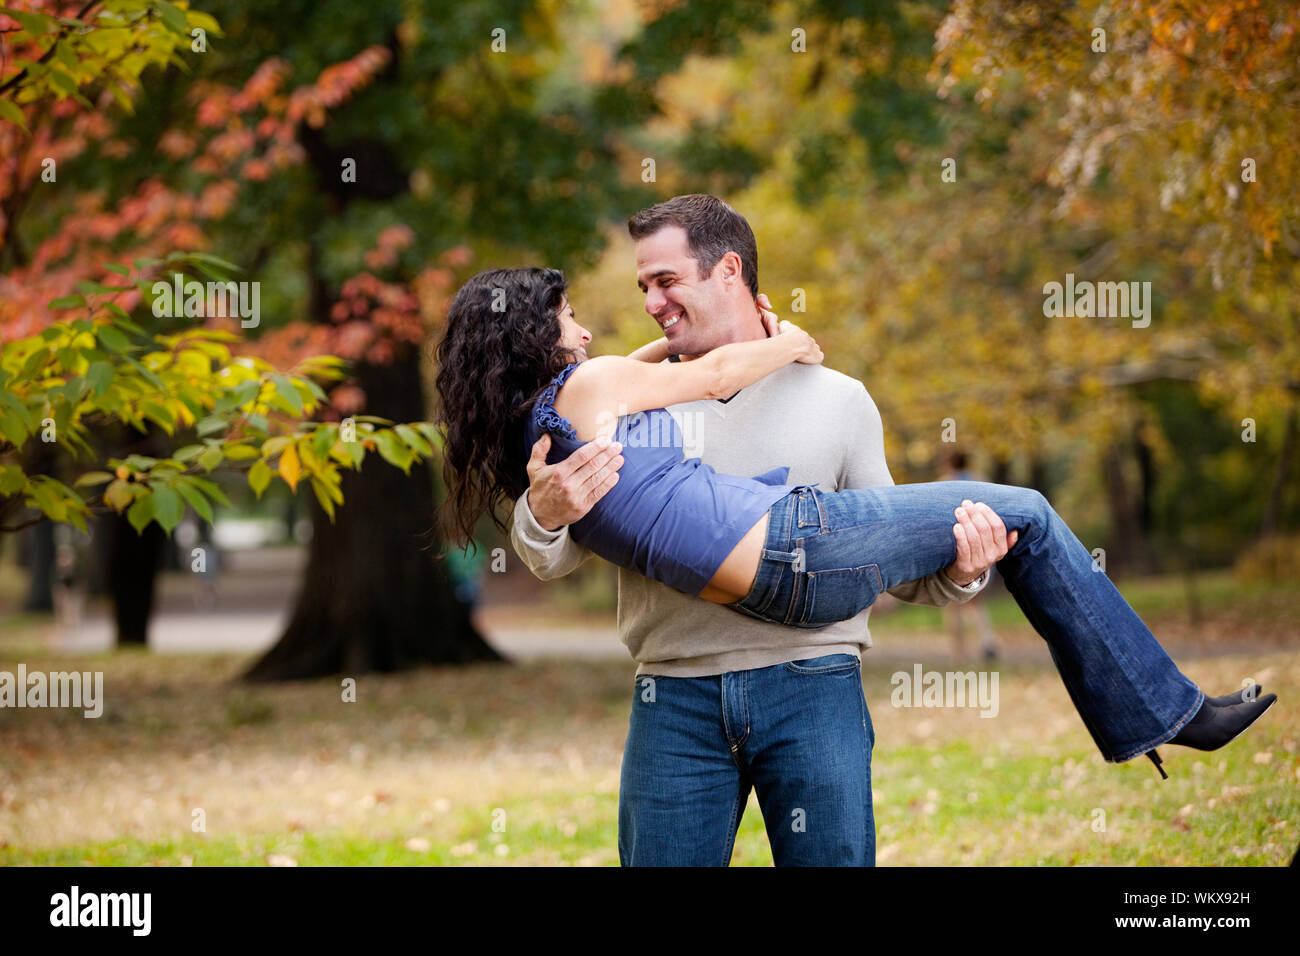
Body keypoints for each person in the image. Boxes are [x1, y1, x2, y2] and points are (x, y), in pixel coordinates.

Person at [434, 196, 1275, 865]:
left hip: (813, 676)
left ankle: (1166, 712)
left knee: (1012, 519)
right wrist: (544, 513)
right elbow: (550, 547)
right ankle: (1165, 712)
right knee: (1033, 508)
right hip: (681, 691)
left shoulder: (823, 399)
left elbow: (908, 574)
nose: (640, 307)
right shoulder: (607, 407)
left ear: (727, 270)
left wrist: (968, 570)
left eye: (664, 282)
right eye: (631, 291)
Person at [938, 450, 1000, 662]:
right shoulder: (981, 481)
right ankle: (987, 640)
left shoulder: (944, 483)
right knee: (976, 602)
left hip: (954, 550)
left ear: (949, 463)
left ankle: (959, 653)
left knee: (952, 604)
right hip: (981, 549)